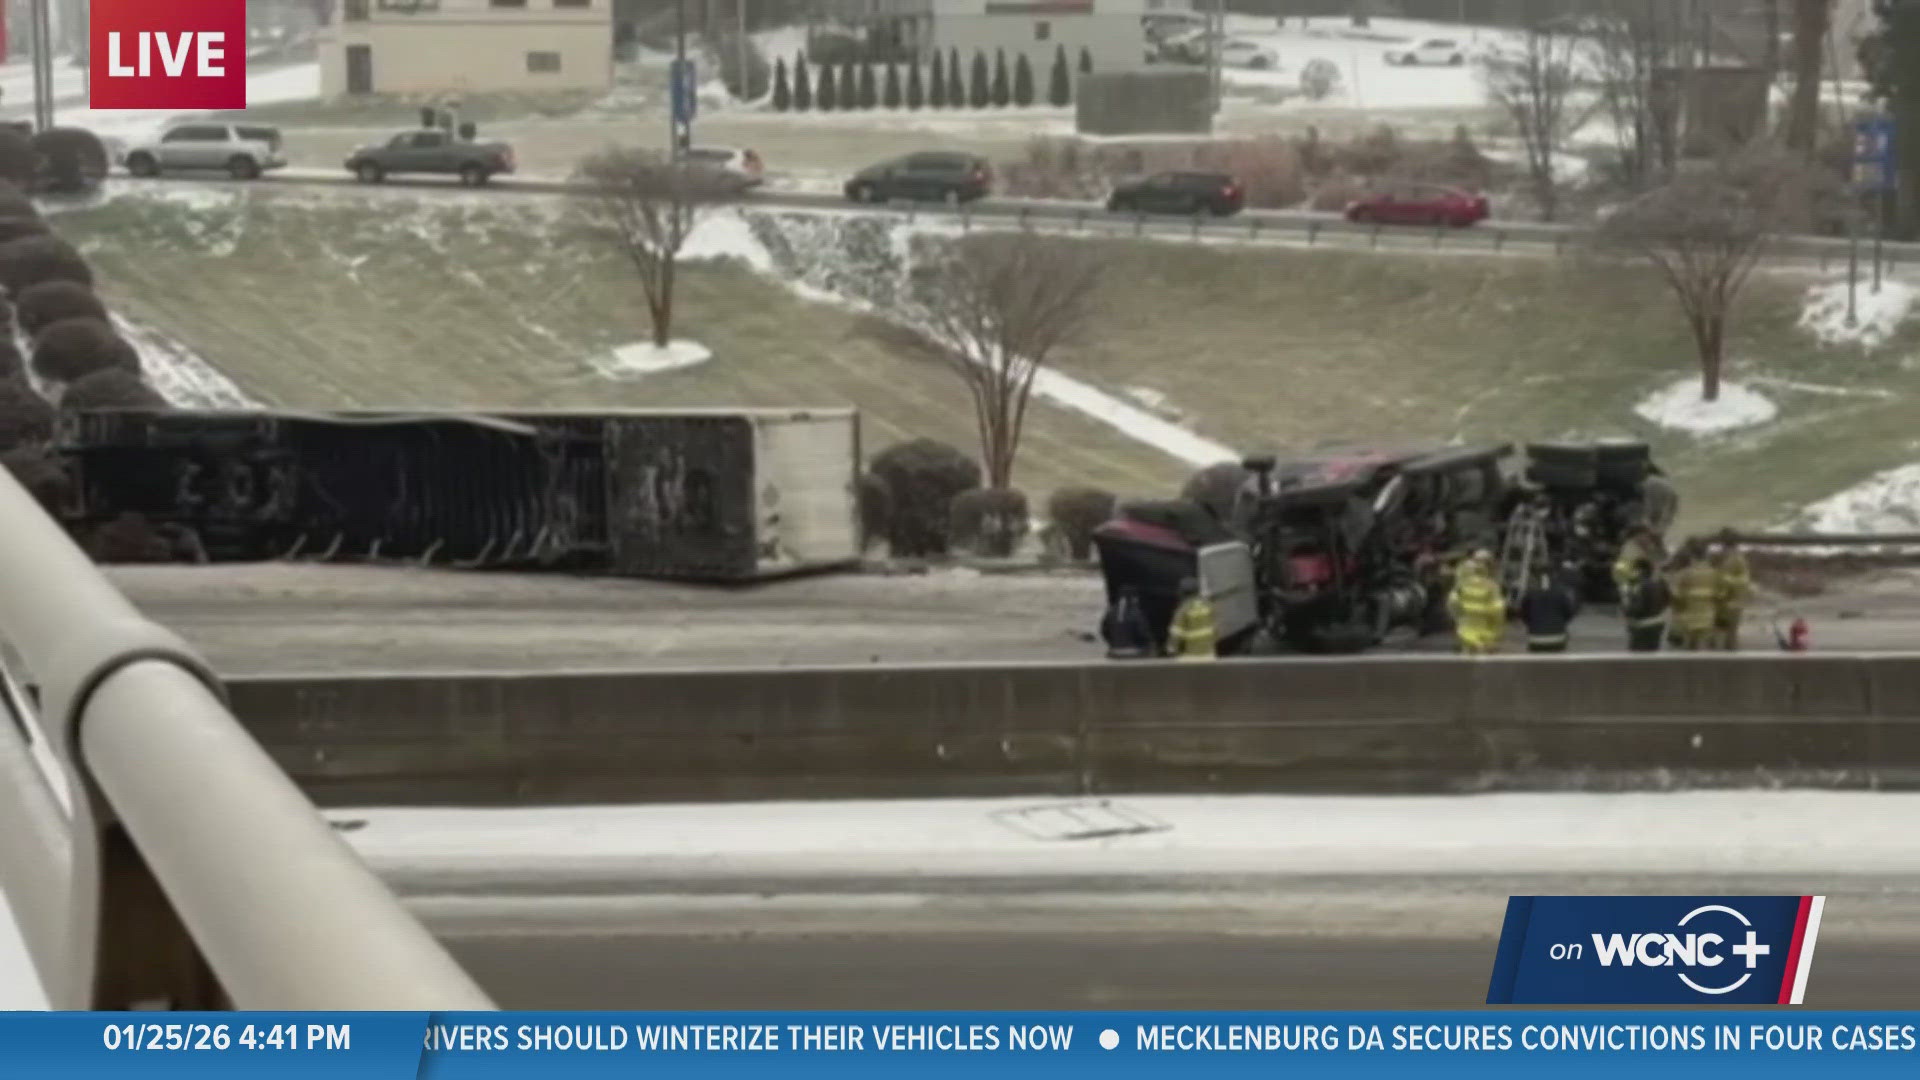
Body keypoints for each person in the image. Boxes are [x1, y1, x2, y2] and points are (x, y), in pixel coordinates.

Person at [1448, 550, 1506, 656]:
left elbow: (1453, 601)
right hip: (1482, 624)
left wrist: (1458, 617)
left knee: (1468, 651)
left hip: (1468, 624)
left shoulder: (1465, 574)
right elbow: (1498, 608)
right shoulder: (1490, 584)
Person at [1669, 546, 1721, 652]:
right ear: (1707, 556)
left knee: (1688, 646)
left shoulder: (1684, 573)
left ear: (1692, 557)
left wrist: (1677, 610)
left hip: (1688, 613)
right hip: (1708, 613)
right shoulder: (1714, 572)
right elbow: (1720, 593)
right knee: (1702, 646)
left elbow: (1675, 593)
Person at [1712, 532, 1752, 651]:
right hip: (1729, 602)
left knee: (1730, 636)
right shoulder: (1731, 558)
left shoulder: (1736, 559)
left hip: (1732, 603)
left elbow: (1744, 581)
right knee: (1727, 635)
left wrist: (1724, 581)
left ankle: (1730, 662)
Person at [1520, 569, 1575, 654]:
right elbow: (1569, 612)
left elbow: (1523, 614)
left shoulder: (1530, 594)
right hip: (1558, 637)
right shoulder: (1561, 593)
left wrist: (1533, 624)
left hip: (1535, 638)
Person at [1620, 559, 1670, 652]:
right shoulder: (1661, 583)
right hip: (1657, 623)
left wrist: (1627, 610)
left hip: (1642, 625)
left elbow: (1638, 607)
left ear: (1639, 570)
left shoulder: (1639, 586)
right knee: (1652, 655)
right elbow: (1667, 600)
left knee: (1637, 656)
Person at [1167, 577, 1218, 662]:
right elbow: (1216, 631)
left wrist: (1171, 649)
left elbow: (1176, 634)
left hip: (1189, 658)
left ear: (1182, 593)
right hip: (1209, 656)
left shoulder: (1183, 610)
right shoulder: (1209, 607)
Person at [1100, 587, 1156, 660]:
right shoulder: (1136, 612)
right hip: (1134, 651)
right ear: (1134, 598)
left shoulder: (1111, 611)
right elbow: (1142, 633)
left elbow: (1104, 631)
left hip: (1114, 651)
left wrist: (1114, 643)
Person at [1612, 524, 1665, 599]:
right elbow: (1656, 565)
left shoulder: (1637, 547)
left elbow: (1660, 560)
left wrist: (1659, 545)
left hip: (1632, 585)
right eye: (1647, 536)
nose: (1649, 539)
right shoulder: (1631, 548)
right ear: (1638, 536)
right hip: (1631, 586)